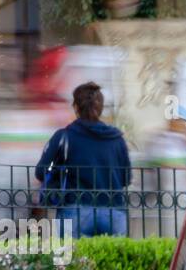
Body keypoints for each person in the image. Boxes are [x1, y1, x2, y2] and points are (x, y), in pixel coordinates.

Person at [34, 81, 130, 236]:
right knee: (114, 259)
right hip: (113, 211)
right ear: (100, 108)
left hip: (75, 209)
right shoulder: (117, 139)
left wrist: (61, 173)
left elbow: (40, 172)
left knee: (71, 258)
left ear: (76, 107)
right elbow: (126, 178)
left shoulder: (64, 136)